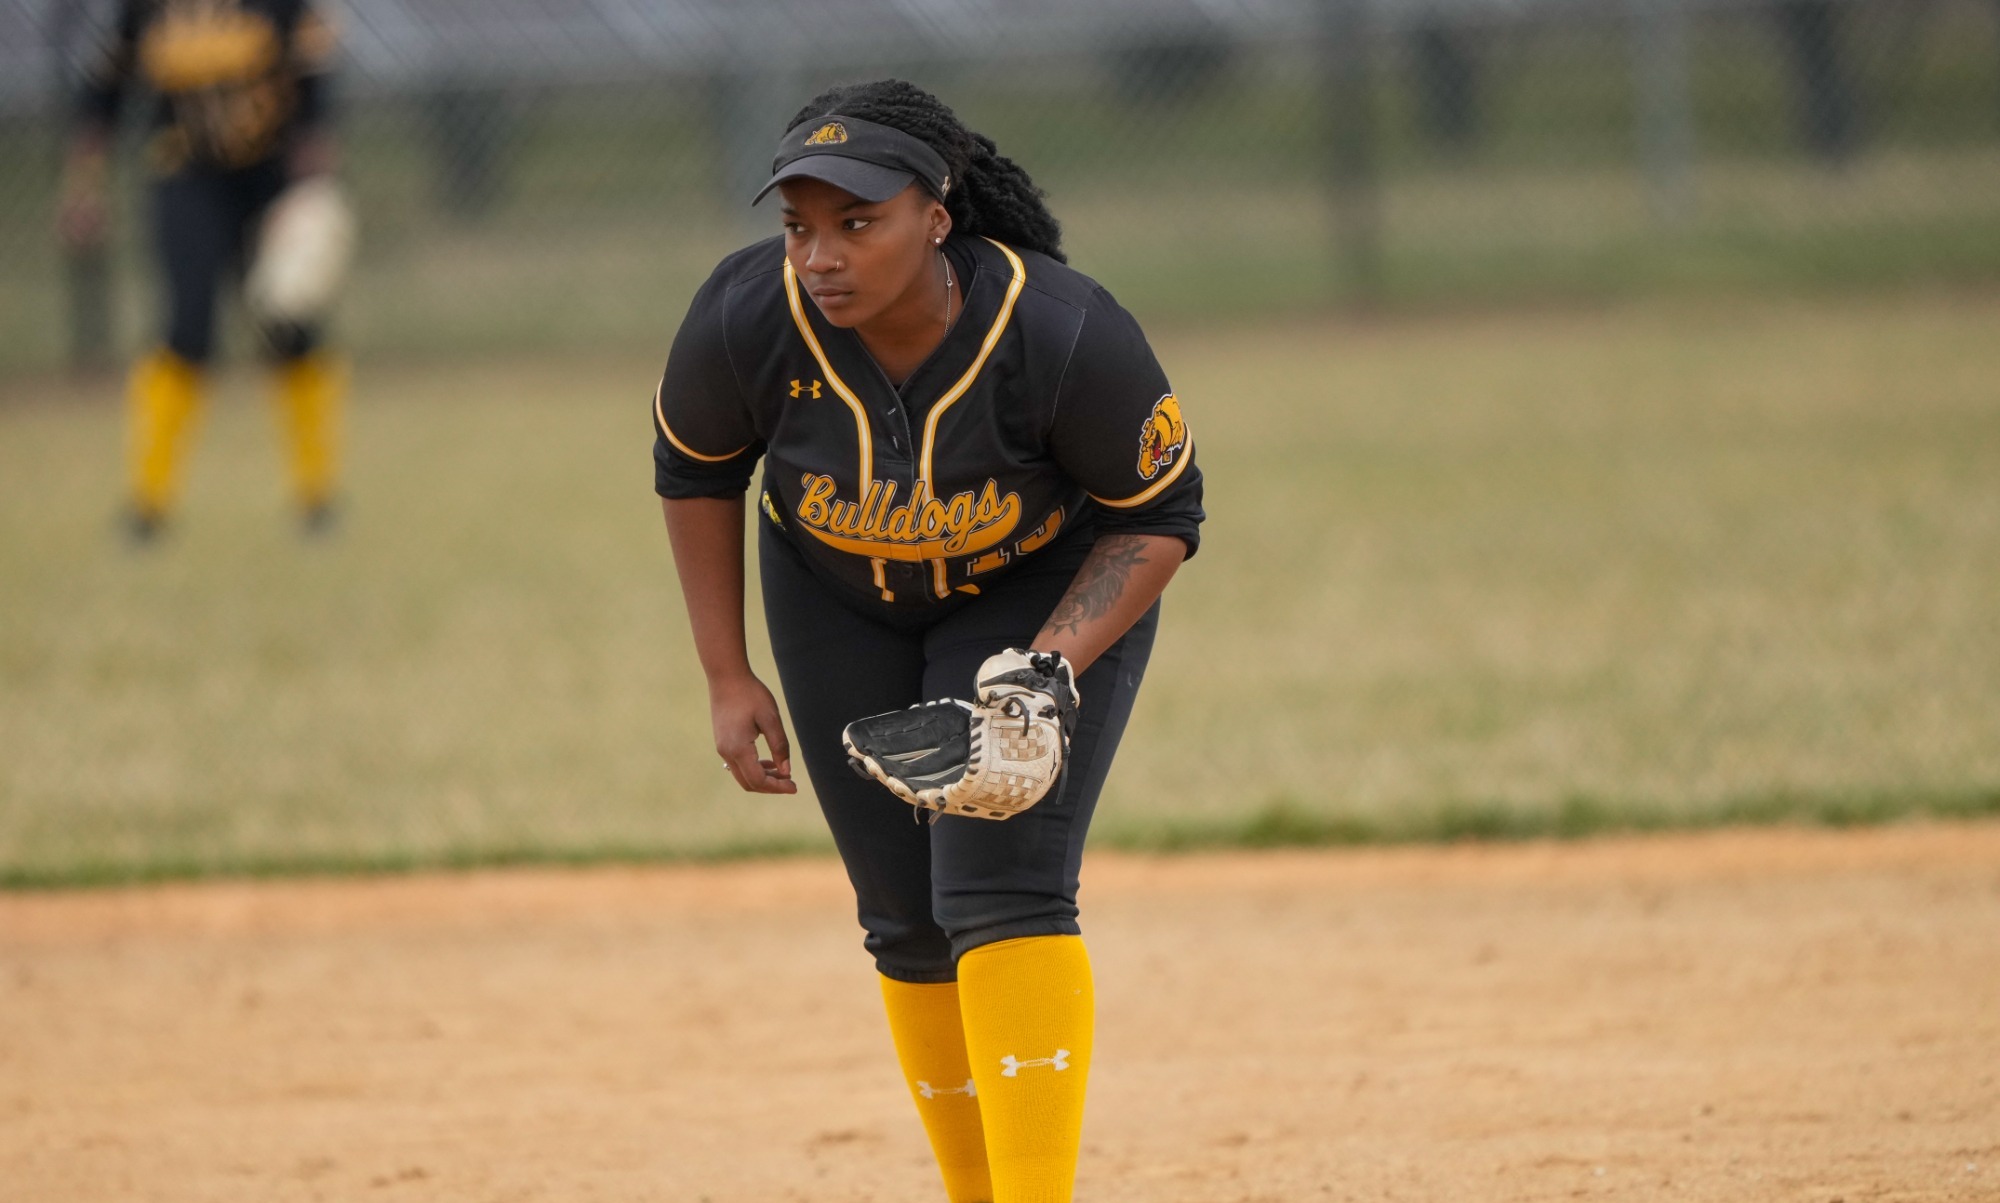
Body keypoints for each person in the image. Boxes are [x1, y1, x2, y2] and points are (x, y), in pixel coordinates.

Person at [652, 80, 1203, 1202]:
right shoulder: (744, 317)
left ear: (936, 218)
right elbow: (694, 472)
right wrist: (725, 671)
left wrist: (1044, 676)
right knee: (903, 916)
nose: (821, 257)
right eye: (799, 227)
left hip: (1030, 592)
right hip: (831, 596)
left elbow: (1158, 515)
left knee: (1000, 891)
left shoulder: (1060, 332)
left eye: (858, 223)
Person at [58, 0, 347, 542]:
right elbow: (102, 96)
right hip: (186, 173)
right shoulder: (145, 8)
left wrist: (311, 191)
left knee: (288, 323)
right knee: (188, 329)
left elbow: (314, 93)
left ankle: (318, 498)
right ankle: (148, 506)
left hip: (269, 176)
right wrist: (83, 187)